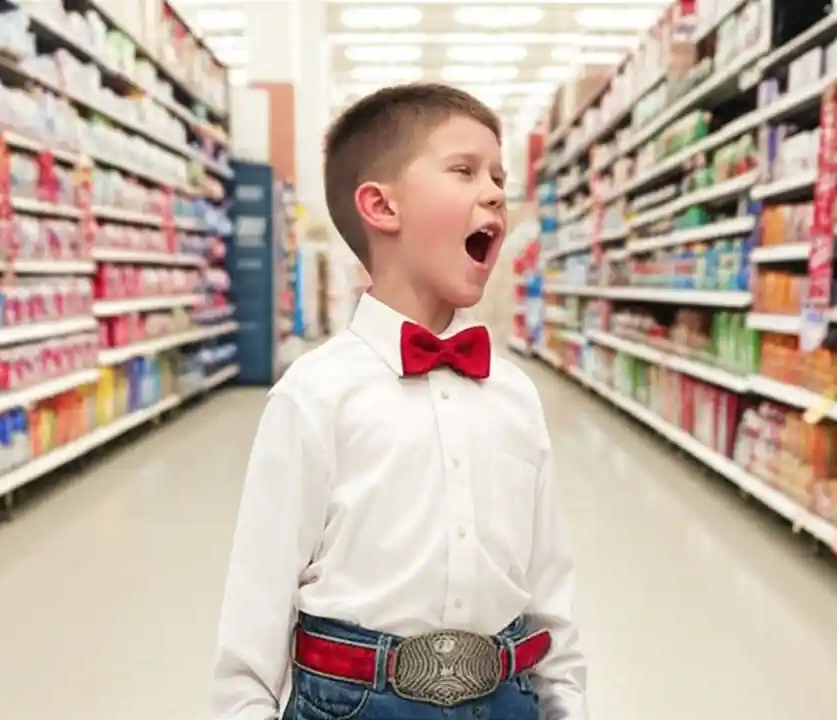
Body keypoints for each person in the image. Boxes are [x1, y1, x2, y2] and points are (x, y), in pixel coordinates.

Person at [211, 82, 587, 720]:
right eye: (464, 170)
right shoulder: (315, 395)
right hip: (357, 702)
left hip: (509, 696)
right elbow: (255, 612)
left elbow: (549, 585)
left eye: (499, 174)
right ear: (381, 207)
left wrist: (566, 703)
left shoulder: (515, 395)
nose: (496, 191)